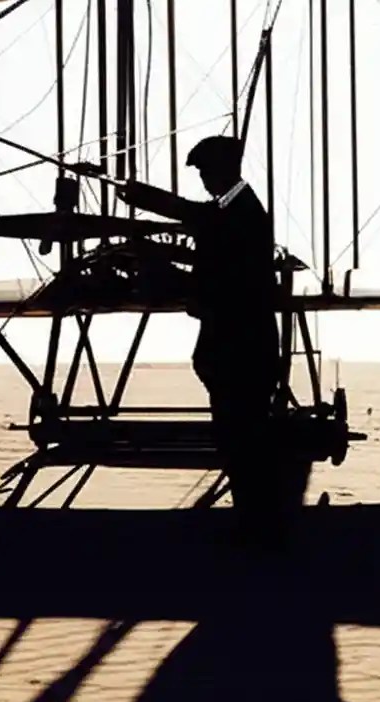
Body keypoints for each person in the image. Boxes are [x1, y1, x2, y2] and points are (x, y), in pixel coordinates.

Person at [119, 135, 285, 543]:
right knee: (241, 441)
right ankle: (254, 530)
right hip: (242, 348)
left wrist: (168, 273)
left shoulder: (238, 214)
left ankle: (256, 537)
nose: (205, 181)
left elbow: (198, 226)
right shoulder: (235, 209)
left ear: (225, 170)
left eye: (207, 172)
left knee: (240, 442)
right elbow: (197, 217)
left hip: (238, 350)